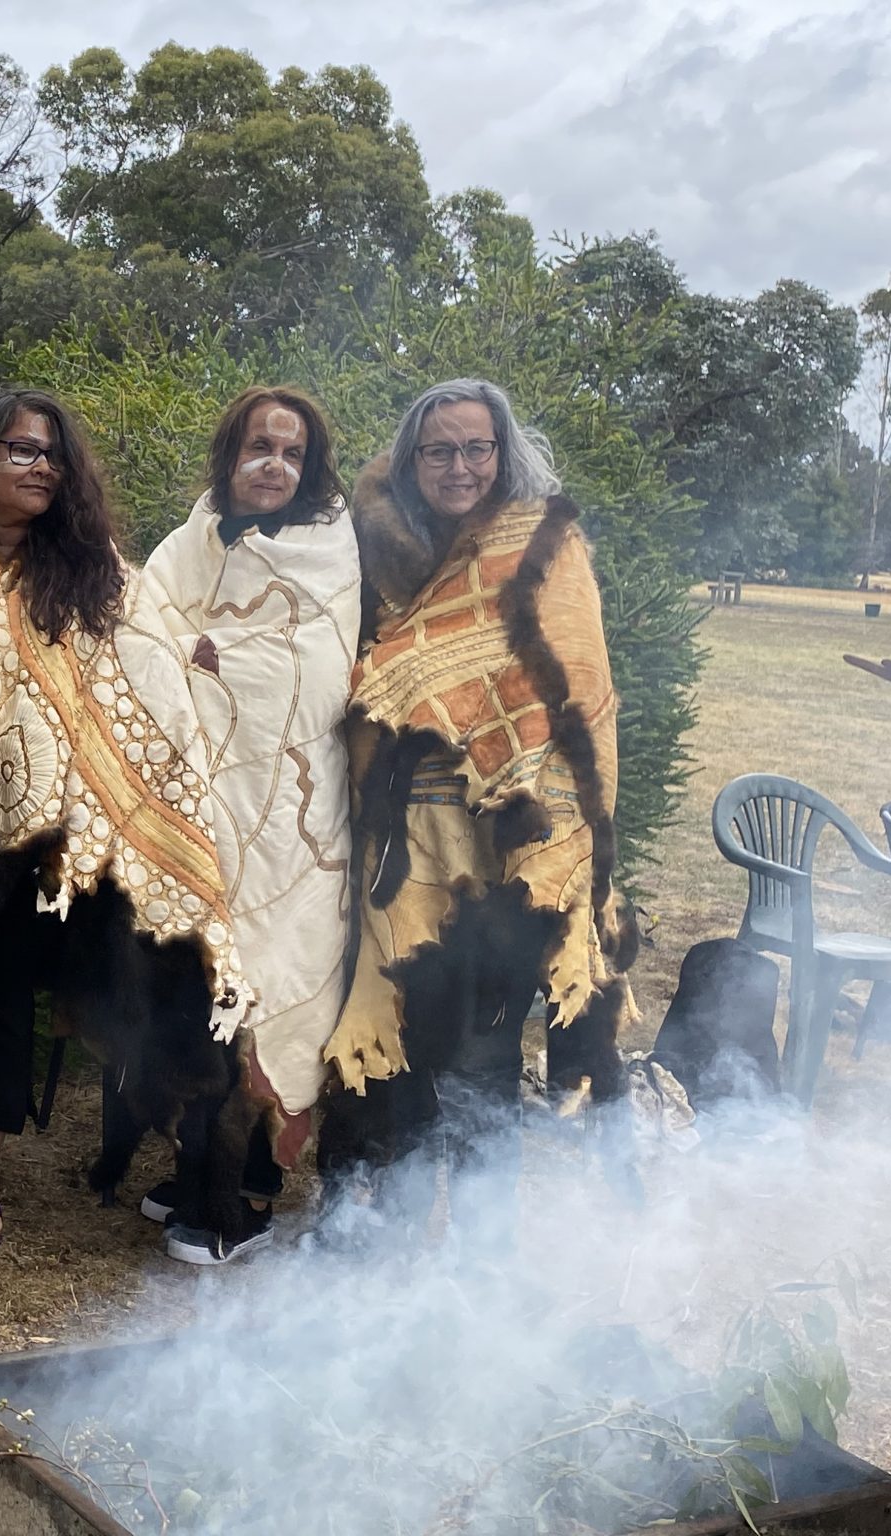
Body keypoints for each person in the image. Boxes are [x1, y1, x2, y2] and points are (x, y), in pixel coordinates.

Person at [0, 388, 252, 1256]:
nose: (40, 468)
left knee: (2, 992)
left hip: (33, 828)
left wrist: (194, 669)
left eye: (53, 455)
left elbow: (144, 666)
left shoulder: (90, 568)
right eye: (21, 451)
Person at [316, 378, 637, 1242]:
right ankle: (393, 1236)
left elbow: (580, 693)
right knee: (401, 1036)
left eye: (476, 448)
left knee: (486, 1052)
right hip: (401, 848)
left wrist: (556, 838)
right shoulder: (377, 552)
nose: (458, 466)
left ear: (503, 452)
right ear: (412, 458)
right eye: (439, 450)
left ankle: (485, 1255)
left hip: (507, 847)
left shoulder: (546, 544)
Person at [126, 386, 360, 1264]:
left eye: (293, 453)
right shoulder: (188, 543)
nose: (274, 465)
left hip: (292, 819)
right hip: (197, 809)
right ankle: (198, 1166)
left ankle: (248, 1188)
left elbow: (317, 671)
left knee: (270, 982)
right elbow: (137, 639)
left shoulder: (330, 552)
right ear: (230, 455)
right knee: (195, 988)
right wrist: (193, 661)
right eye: (260, 447)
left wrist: (207, 659)